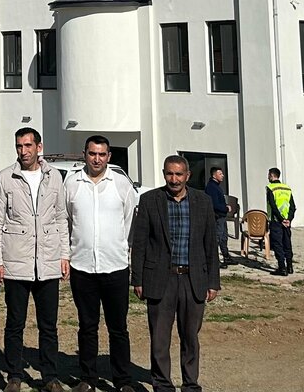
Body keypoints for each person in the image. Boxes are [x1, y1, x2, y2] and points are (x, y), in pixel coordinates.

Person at [0, 127, 69, 392]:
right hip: (16, 263)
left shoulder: (54, 177)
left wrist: (64, 255)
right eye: (19, 146)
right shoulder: (5, 178)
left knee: (48, 326)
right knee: (15, 323)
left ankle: (50, 376)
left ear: (39, 147)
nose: (23, 151)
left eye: (28, 146)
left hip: (47, 263)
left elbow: (61, 219)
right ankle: (14, 375)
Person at [131, 155, 220, 392]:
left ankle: (190, 384)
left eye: (179, 174)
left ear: (187, 176)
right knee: (160, 340)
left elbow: (210, 244)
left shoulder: (203, 201)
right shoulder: (150, 200)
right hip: (161, 279)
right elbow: (139, 243)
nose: (174, 179)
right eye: (170, 174)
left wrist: (213, 282)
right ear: (164, 174)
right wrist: (137, 279)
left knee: (190, 337)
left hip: (193, 280)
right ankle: (162, 385)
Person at [64, 136, 138, 392]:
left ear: (109, 156)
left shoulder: (121, 184)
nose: (97, 159)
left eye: (102, 154)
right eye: (92, 153)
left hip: (115, 267)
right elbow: (67, 221)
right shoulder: (72, 183)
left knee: (118, 328)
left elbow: (128, 222)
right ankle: (88, 379)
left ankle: (123, 380)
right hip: (82, 268)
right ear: (84, 154)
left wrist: (117, 248)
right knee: (87, 327)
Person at [266, 168, 295, 276]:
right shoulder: (287, 188)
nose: (268, 177)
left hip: (276, 221)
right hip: (287, 221)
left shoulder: (270, 188)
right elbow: (293, 206)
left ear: (272, 175)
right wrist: (289, 219)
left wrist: (281, 219)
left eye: (268, 175)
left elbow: (273, 206)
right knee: (287, 243)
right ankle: (290, 267)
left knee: (277, 244)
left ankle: (282, 268)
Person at [204, 166, 234, 267]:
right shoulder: (211, 187)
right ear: (214, 175)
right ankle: (214, 260)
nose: (222, 176)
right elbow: (214, 204)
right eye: (220, 174)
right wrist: (226, 208)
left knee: (223, 237)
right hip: (217, 216)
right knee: (217, 237)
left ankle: (226, 256)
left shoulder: (217, 186)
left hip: (222, 216)